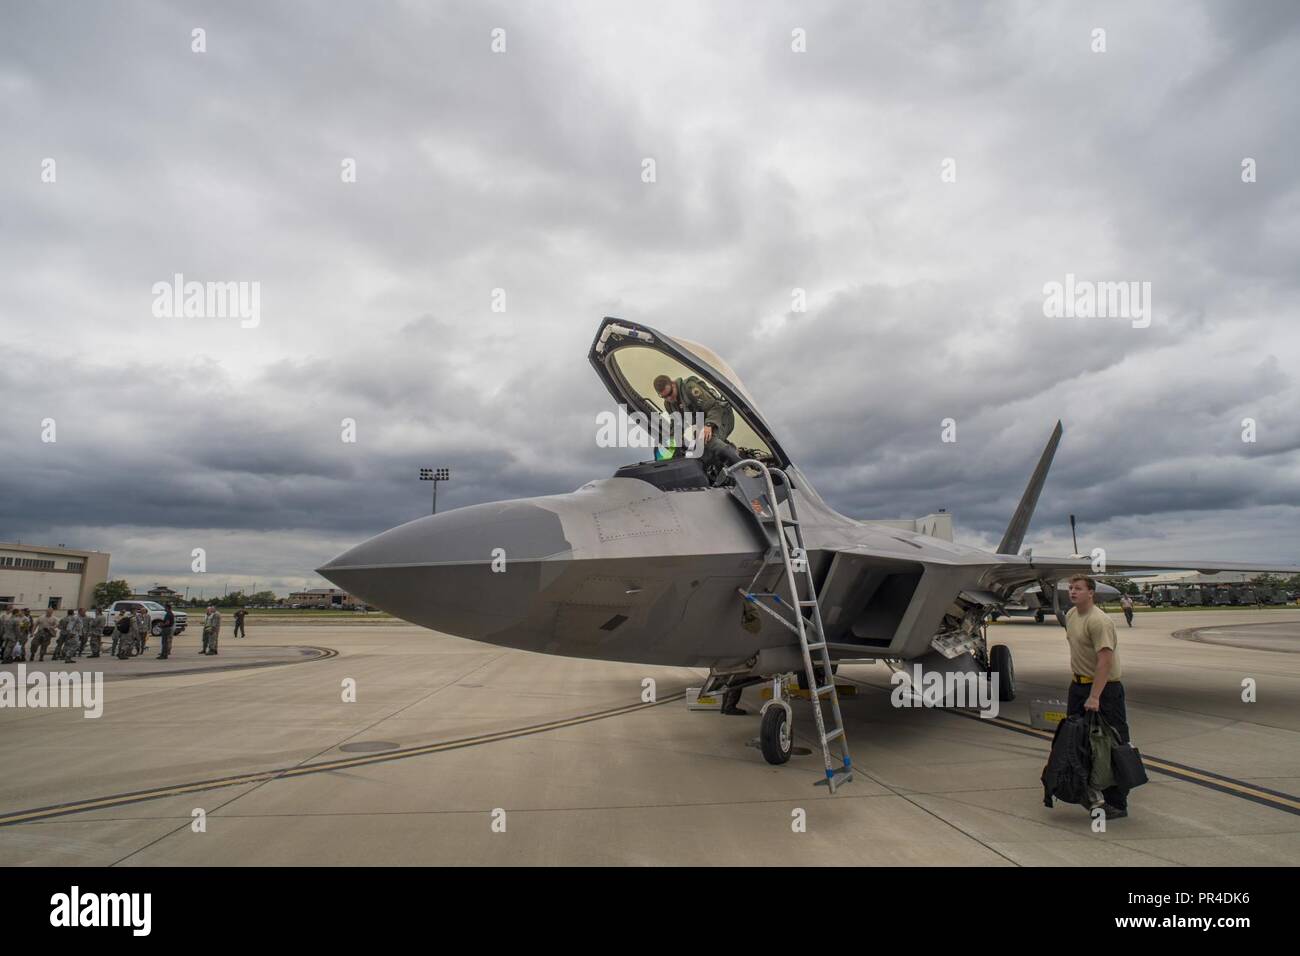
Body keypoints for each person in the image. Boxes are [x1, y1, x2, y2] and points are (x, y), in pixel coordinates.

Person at [1064, 574, 1131, 820]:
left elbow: (1105, 660)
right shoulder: (1071, 615)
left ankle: (1117, 803)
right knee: (1077, 742)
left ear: (1091, 592)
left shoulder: (1099, 621)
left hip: (1104, 690)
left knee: (1111, 744)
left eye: (1078, 588)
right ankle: (1087, 792)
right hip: (1078, 686)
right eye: (1071, 588)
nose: (1072, 592)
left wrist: (1095, 696)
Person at [654, 373, 743, 476]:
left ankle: (743, 467)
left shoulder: (690, 388)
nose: (669, 398)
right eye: (664, 397)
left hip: (721, 416)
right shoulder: (668, 404)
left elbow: (714, 407)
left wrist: (709, 425)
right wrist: (670, 442)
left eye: (669, 394)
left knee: (708, 441)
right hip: (703, 423)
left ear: (673, 384)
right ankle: (728, 458)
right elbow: (677, 424)